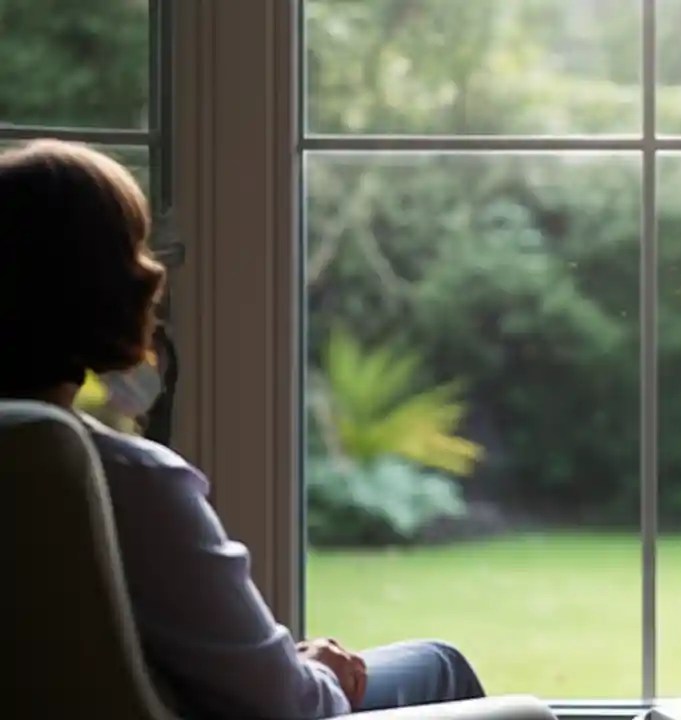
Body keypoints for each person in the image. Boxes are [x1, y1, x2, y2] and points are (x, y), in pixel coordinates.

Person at [0, 140, 485, 718]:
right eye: (138, 250)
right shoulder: (128, 484)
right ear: (115, 287)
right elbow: (281, 705)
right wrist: (317, 670)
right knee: (439, 664)